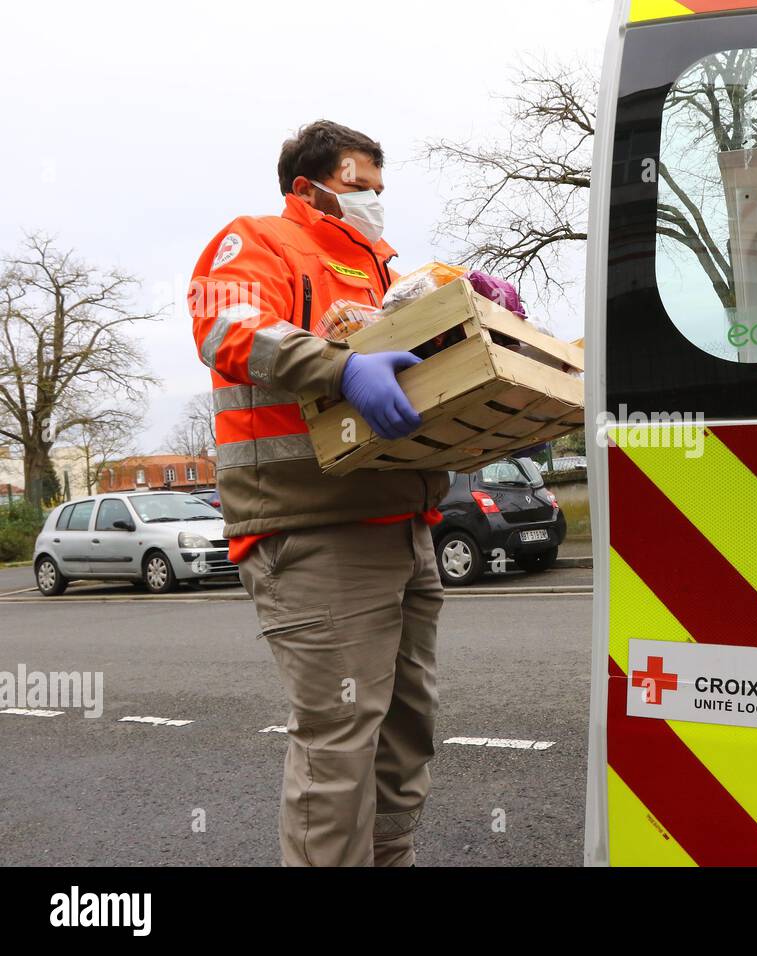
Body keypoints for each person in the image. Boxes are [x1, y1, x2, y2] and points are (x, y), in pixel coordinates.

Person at [188, 119, 519, 866]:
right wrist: (341, 368)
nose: (370, 195)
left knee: (406, 733)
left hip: (403, 522)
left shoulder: (385, 276)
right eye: (354, 180)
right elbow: (226, 327)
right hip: (312, 527)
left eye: (377, 183)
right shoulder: (258, 240)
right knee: (340, 742)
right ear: (306, 184)